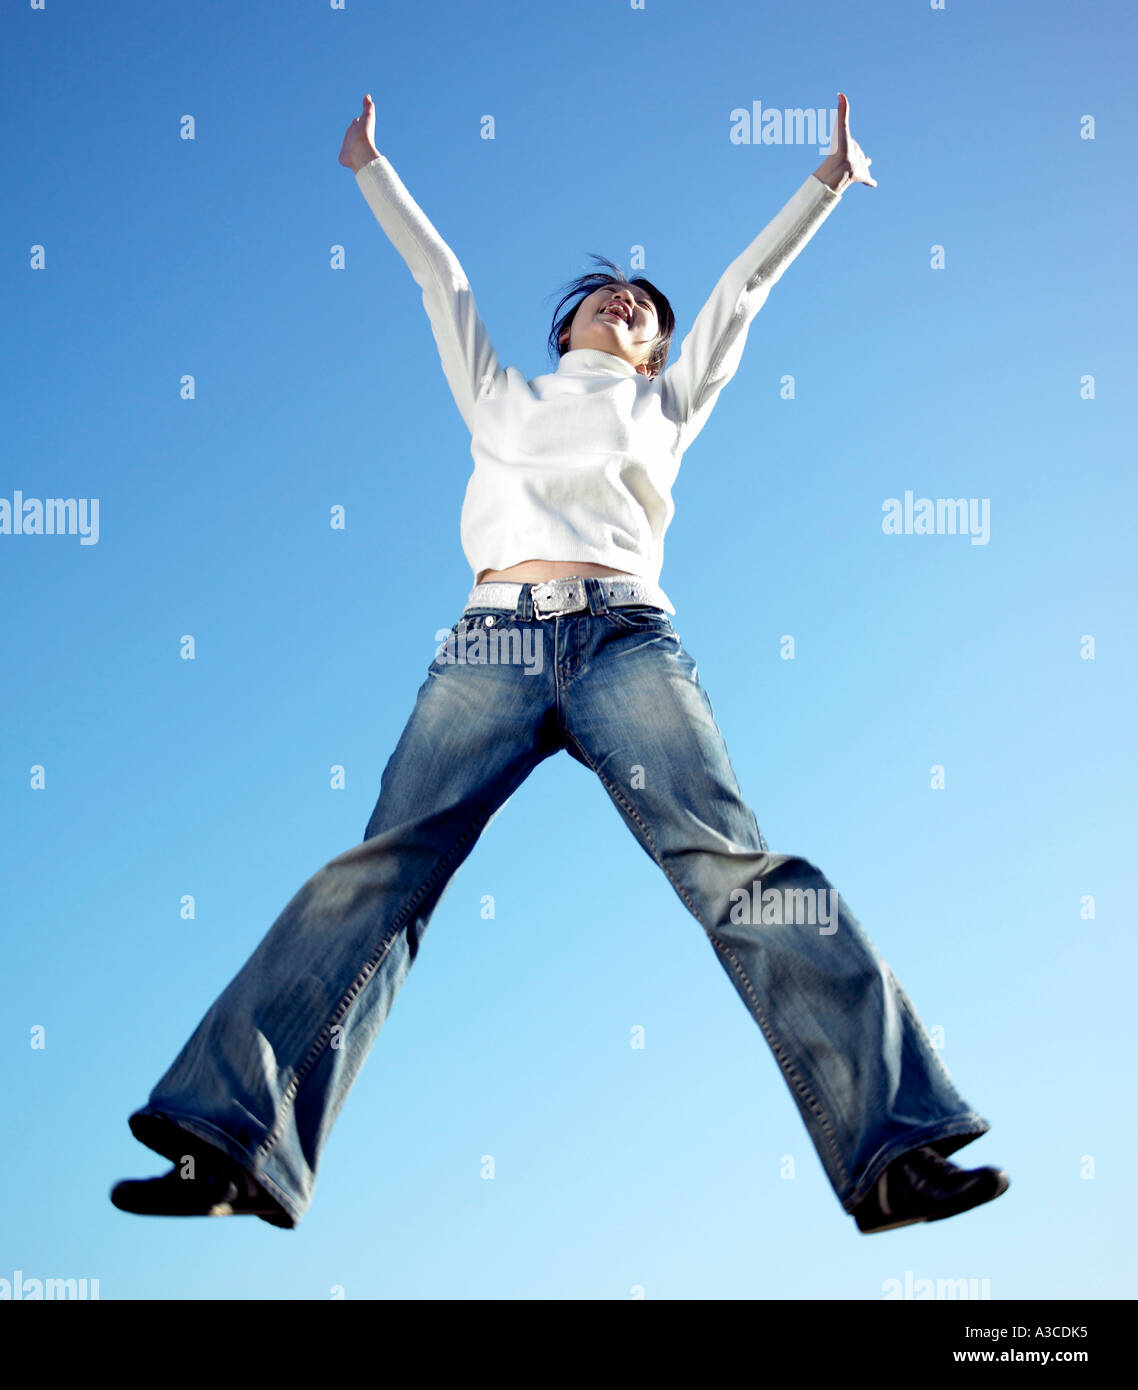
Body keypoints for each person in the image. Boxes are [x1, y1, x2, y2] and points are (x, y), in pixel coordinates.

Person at [111, 92, 1008, 1237]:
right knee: (379, 873)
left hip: (627, 640)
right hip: (490, 640)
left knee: (735, 867)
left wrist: (823, 185)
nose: (627, 302)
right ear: (569, 324)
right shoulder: (504, 397)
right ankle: (226, 1137)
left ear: (653, 350)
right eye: (606, 293)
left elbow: (741, 292)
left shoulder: (666, 404)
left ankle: (896, 1145)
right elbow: (441, 282)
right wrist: (369, 171)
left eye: (644, 311)